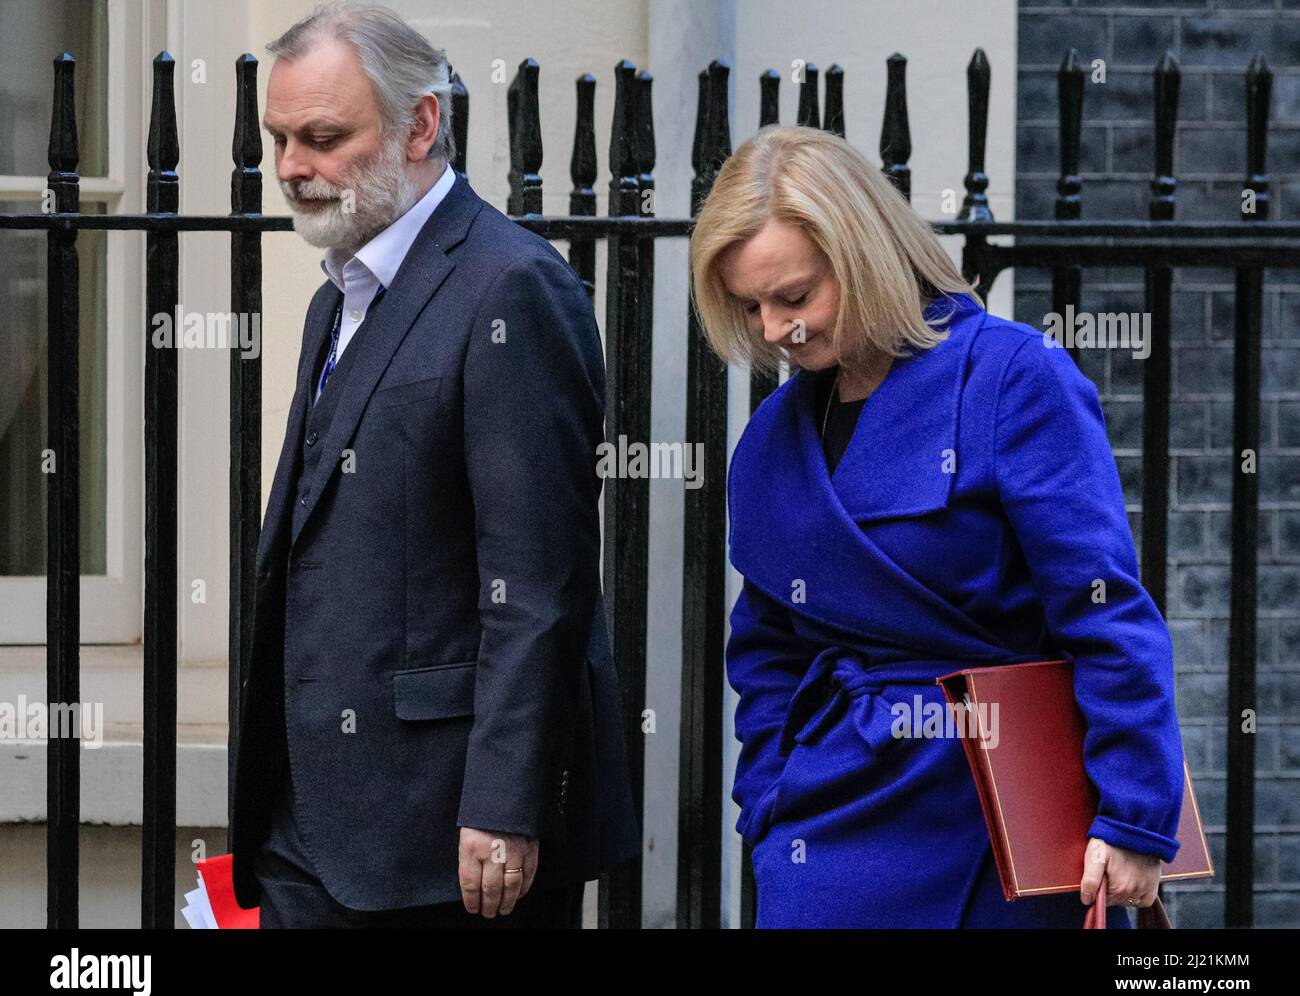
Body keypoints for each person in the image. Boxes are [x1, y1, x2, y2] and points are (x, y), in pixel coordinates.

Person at [689, 124, 1185, 928]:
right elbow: (767, 644)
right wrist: (770, 804)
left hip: (1004, 819)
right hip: (829, 822)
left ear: (865, 254)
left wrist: (1135, 813)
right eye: (751, 307)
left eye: (795, 296)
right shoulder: (773, 439)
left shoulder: (1012, 378)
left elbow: (1103, 609)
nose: (776, 330)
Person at [229, 1, 639, 928]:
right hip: (310, 826)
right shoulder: (336, 298)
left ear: (421, 124)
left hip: (449, 841)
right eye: (280, 138)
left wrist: (505, 804)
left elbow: (541, 581)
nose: (294, 167)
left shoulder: (513, 285)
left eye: (325, 137)